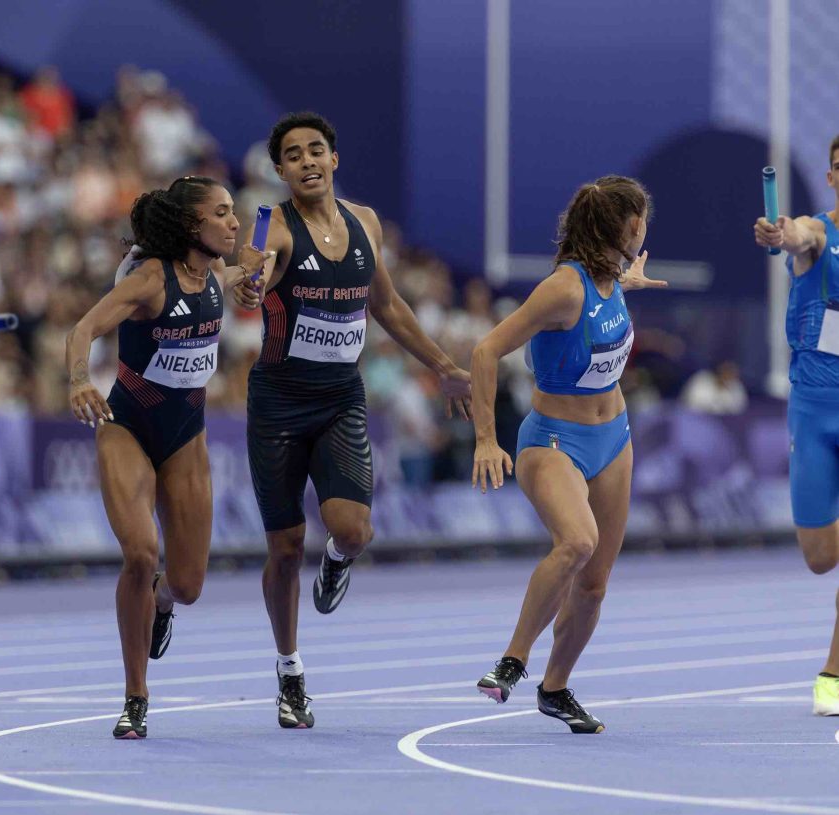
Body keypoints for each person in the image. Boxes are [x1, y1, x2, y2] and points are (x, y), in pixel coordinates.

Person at [246, 112, 471, 729]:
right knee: (286, 545)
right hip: (278, 403)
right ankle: (290, 671)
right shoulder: (276, 229)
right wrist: (250, 283)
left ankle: (339, 562)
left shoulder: (366, 222)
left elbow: (388, 305)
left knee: (355, 529)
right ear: (281, 171)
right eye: (293, 156)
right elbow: (255, 266)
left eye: (316, 150)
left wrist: (444, 364)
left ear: (335, 159)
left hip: (342, 396)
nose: (307, 161)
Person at [66, 177, 266, 739]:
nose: (233, 222)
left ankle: (161, 602)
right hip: (126, 424)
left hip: (185, 436)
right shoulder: (150, 280)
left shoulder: (216, 275)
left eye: (234, 212)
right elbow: (83, 329)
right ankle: (135, 695)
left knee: (189, 583)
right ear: (190, 227)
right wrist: (80, 380)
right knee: (138, 553)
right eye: (223, 214)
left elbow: (244, 279)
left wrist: (252, 285)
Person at [470, 176, 666, 733]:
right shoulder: (564, 289)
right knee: (578, 541)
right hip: (555, 441)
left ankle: (555, 688)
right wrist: (486, 438)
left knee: (596, 582)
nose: (645, 229)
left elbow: (607, 312)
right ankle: (513, 659)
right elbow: (486, 351)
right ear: (627, 228)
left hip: (615, 439)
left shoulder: (612, 279)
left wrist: (629, 281)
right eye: (642, 221)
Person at [755, 134, 839, 716]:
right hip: (814, 411)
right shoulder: (820, 232)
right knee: (819, 556)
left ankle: (833, 669)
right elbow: (800, 234)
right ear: (831, 177)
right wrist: (784, 233)